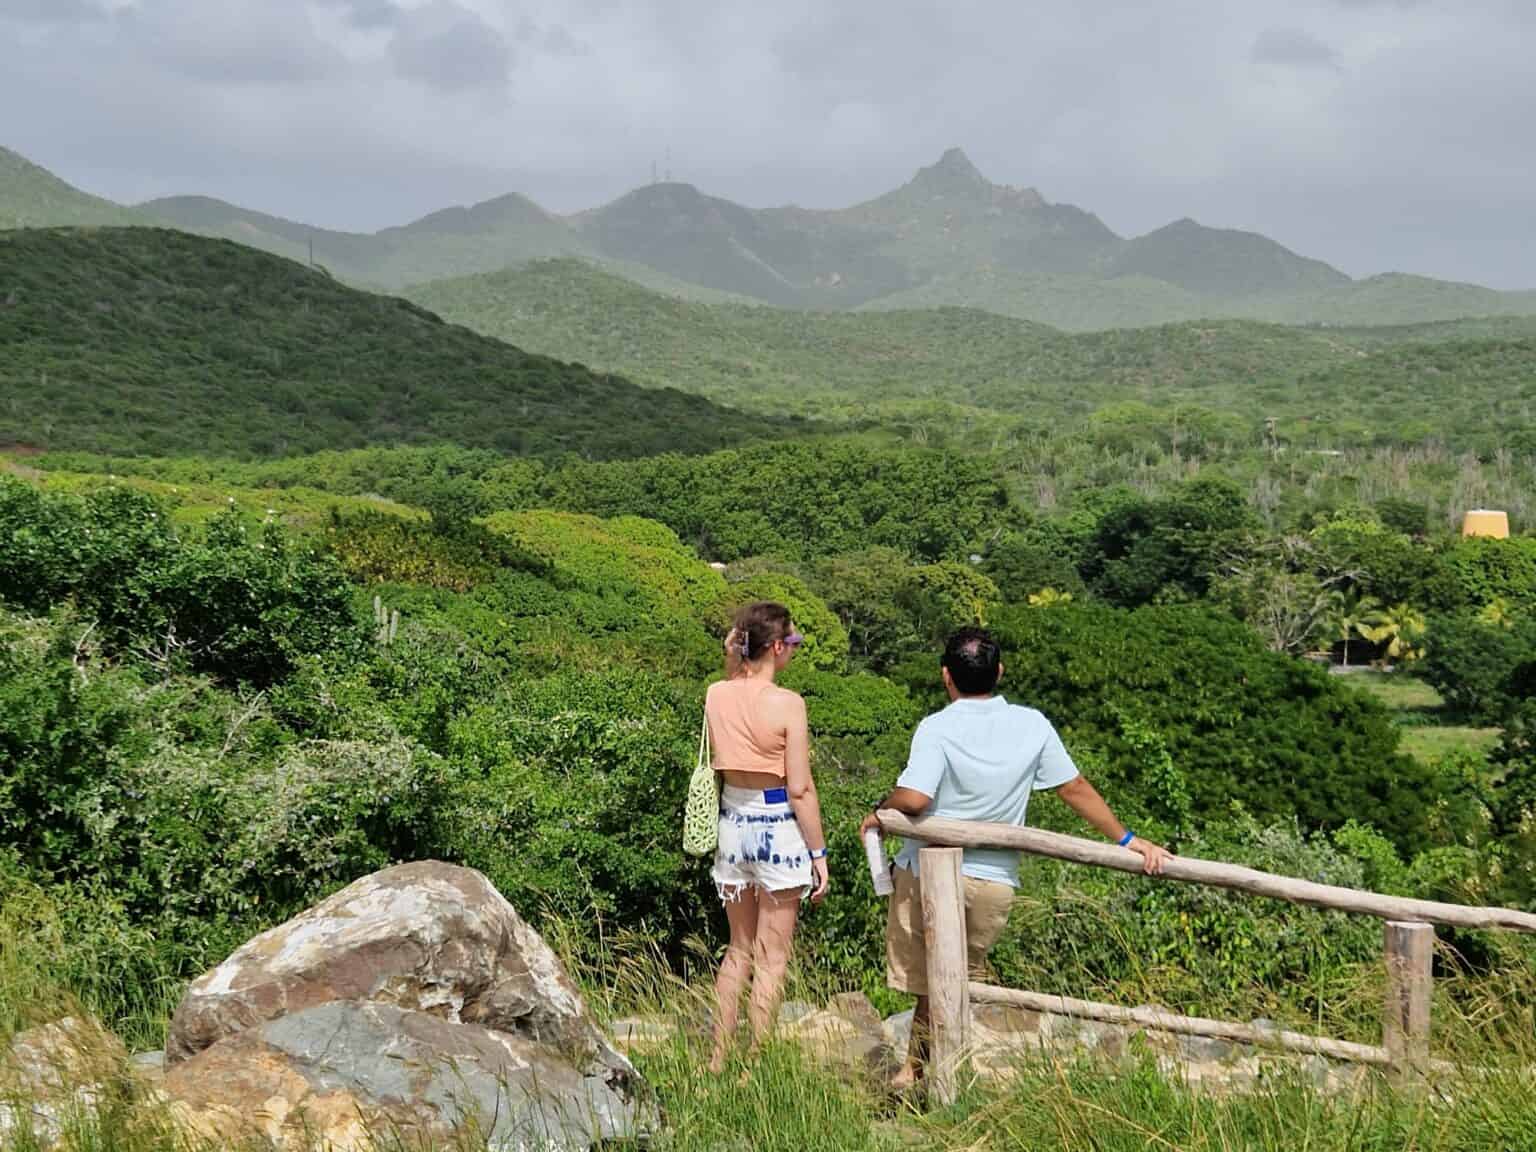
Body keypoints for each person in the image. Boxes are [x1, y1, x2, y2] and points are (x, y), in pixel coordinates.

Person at [860, 626, 1171, 1090]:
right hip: (994, 880)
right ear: (999, 672)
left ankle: (924, 1077)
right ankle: (922, 1074)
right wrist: (1128, 840)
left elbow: (917, 797)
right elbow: (1073, 788)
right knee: (955, 984)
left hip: (927, 871)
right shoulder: (1032, 724)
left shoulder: (937, 727)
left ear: (946, 676)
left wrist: (879, 812)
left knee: (930, 983)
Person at [706, 601, 831, 1074]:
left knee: (738, 948)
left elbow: (732, 679)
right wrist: (818, 853)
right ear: (777, 646)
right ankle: (754, 1063)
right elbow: (800, 788)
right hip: (777, 825)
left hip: (732, 824)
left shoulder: (716, 694)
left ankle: (717, 1057)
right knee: (771, 956)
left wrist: (731, 654)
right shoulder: (788, 704)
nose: (794, 650)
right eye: (793, 643)